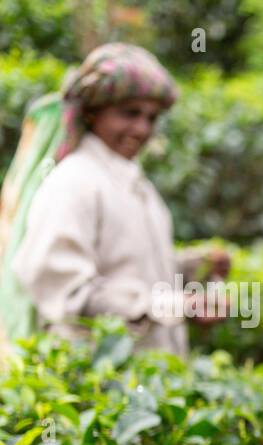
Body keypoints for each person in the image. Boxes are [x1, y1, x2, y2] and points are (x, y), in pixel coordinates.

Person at [10, 43, 230, 357]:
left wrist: (196, 267)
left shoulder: (135, 184)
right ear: (92, 113)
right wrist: (172, 305)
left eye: (152, 118)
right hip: (100, 384)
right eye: (129, 113)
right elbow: (69, 292)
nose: (141, 129)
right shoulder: (73, 183)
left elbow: (128, 270)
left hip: (145, 380)